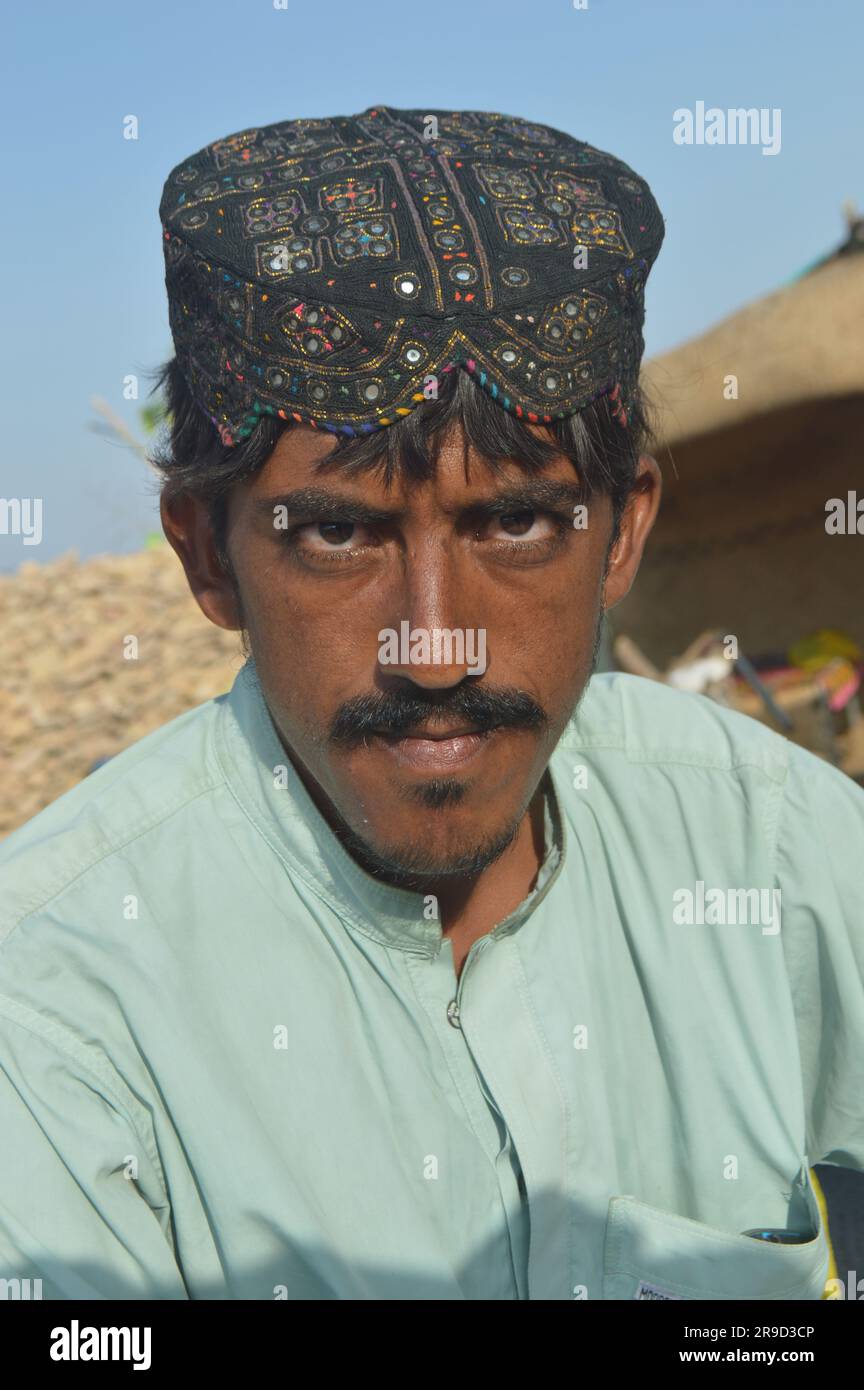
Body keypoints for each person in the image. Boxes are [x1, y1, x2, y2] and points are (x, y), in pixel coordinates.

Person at [0, 106, 861, 1302]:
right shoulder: (46, 1008)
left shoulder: (780, 850)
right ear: (208, 559)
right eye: (342, 533)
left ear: (623, 535)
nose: (437, 643)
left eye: (513, 522)